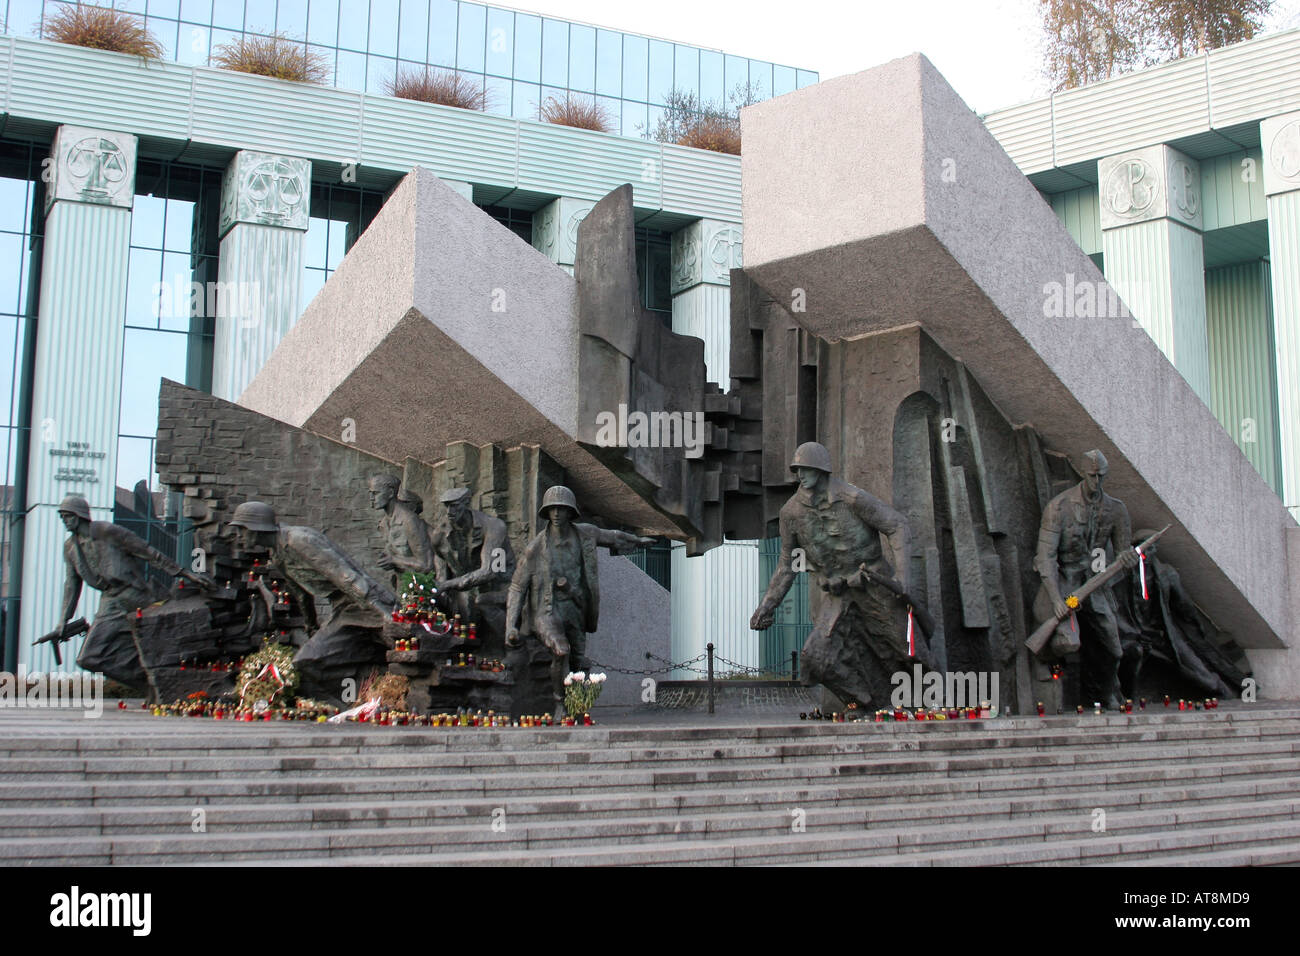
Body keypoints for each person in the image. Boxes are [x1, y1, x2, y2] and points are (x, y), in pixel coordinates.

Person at [749, 442, 925, 708]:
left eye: (807, 469)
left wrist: (902, 579)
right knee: (815, 660)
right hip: (838, 593)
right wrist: (767, 605)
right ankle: (868, 704)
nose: (801, 475)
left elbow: (897, 525)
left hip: (872, 583)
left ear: (822, 470)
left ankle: (937, 702)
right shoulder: (791, 513)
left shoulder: (851, 498)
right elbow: (787, 566)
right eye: (798, 470)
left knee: (909, 649)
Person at [226, 500, 396, 703]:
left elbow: (345, 576)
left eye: (242, 530)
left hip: (367, 602)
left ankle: (396, 695)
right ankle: (352, 704)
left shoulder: (298, 540)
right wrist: (311, 625)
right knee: (306, 661)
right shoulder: (278, 556)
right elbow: (302, 595)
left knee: (407, 651)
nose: (238, 537)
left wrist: (384, 613)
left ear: (256, 528)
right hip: (344, 610)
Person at [505, 486, 651, 715]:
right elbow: (517, 587)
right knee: (561, 650)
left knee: (578, 661)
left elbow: (613, 537)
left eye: (562, 509)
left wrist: (639, 541)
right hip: (547, 610)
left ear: (570, 512)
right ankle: (559, 703)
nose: (556, 513)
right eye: (552, 509)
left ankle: (577, 707)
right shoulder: (535, 549)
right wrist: (510, 626)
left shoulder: (585, 534)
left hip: (576, 607)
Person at [56, 494, 210, 690]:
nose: (64, 521)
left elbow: (148, 552)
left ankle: (165, 681)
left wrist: (184, 573)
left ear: (79, 516)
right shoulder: (70, 548)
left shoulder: (107, 531)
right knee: (89, 658)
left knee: (157, 643)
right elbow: (71, 584)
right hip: (110, 600)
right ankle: (152, 683)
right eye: (62, 517)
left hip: (134, 595)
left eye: (67, 516)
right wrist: (63, 619)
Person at [1032, 449, 1137, 709]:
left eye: (1101, 476)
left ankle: (1106, 692)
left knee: (1114, 649)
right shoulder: (1059, 506)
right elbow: (1045, 558)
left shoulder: (1116, 509)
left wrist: (1127, 560)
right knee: (1067, 643)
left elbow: (1123, 552)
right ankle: (1048, 673)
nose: (1096, 482)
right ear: (1082, 473)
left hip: (1097, 585)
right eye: (1092, 475)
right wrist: (1057, 599)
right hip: (1067, 582)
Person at [430, 487, 515, 651]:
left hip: (502, 586)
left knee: (482, 601)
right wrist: (439, 589)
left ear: (467, 503)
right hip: (467, 588)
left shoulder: (494, 527)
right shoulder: (440, 535)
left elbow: (490, 572)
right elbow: (441, 573)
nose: (449, 511)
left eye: (454, 505)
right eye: (446, 506)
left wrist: (447, 585)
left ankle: (512, 648)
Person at [368, 474, 435, 581]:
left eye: (376, 493)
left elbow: (426, 564)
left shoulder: (409, 520)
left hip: (420, 588)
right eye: (370, 493)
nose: (371, 498)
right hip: (402, 585)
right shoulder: (384, 523)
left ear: (390, 493)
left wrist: (394, 560)